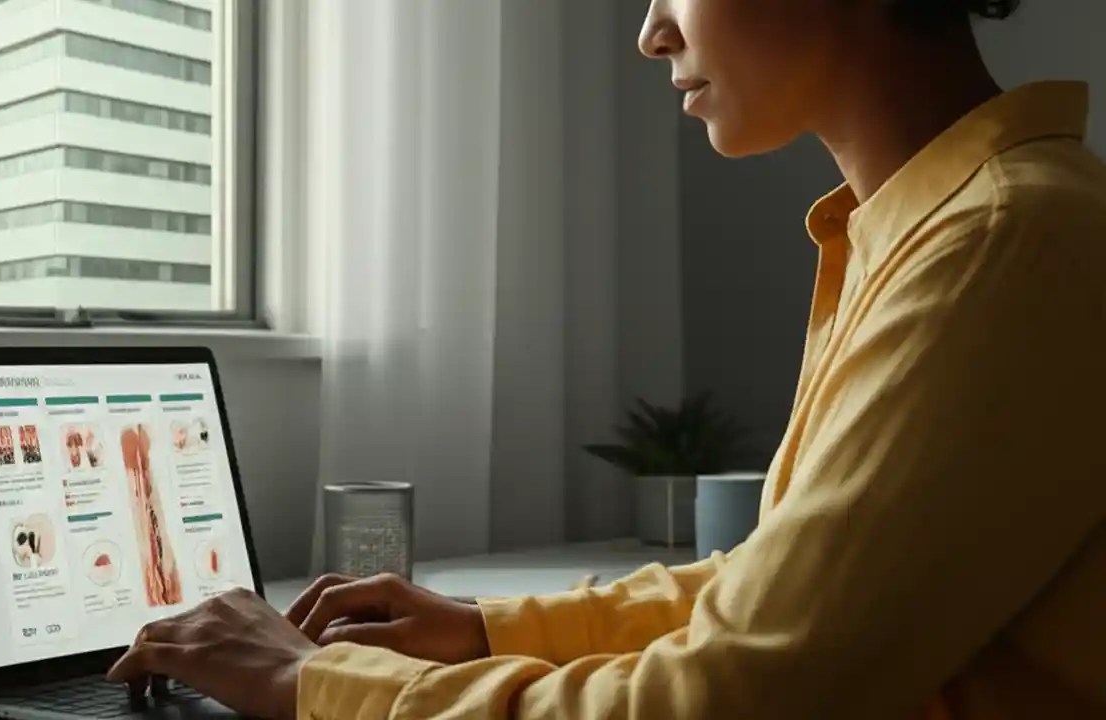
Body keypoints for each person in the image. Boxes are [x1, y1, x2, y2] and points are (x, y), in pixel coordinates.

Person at [108, 0, 1106, 717]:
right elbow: (785, 595)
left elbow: (736, 694)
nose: (649, 32)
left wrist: (305, 684)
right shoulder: (947, 228)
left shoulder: (997, 242)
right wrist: (485, 630)